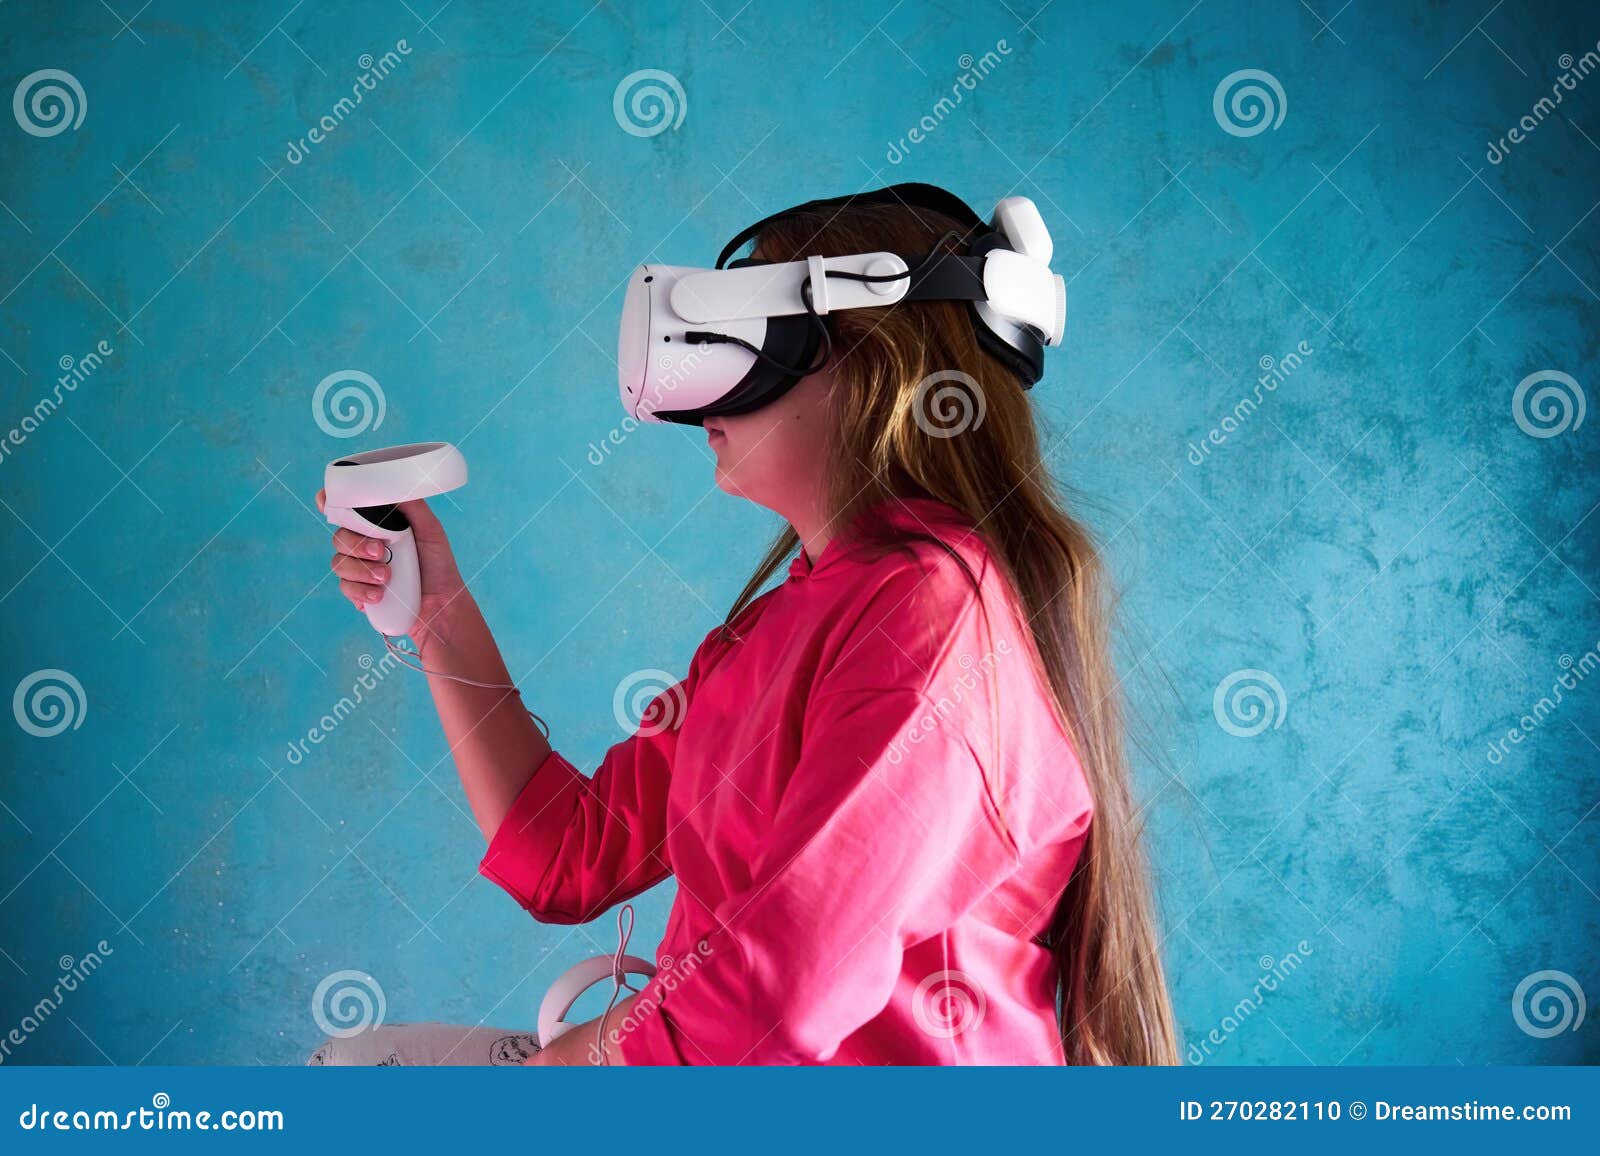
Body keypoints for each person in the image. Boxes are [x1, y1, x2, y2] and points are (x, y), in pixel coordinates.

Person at [311, 191, 1176, 1065]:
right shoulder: (782, 625)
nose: (700, 391)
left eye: (744, 337)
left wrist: (542, 1080)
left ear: (869, 358)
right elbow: (564, 854)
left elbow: (774, 995)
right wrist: (438, 617)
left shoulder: (932, 612)